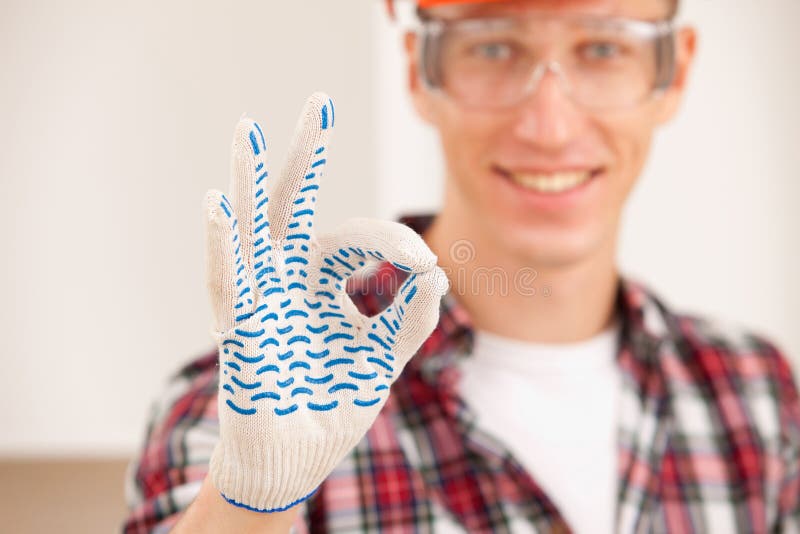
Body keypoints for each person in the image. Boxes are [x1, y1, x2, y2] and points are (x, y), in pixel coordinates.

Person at [123, 0, 800, 532]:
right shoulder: (243, 409)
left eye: (603, 47)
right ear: (420, 69)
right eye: (494, 47)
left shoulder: (757, 399)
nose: (549, 126)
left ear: (674, 72)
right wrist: (250, 506)